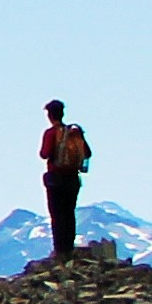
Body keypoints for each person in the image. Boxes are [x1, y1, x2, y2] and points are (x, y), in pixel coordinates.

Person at [39, 101, 92, 261]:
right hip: (73, 179)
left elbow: (44, 153)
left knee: (57, 214)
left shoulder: (51, 133)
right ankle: (69, 247)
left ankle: (60, 250)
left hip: (56, 179)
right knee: (69, 213)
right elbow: (87, 152)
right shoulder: (75, 132)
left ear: (50, 115)